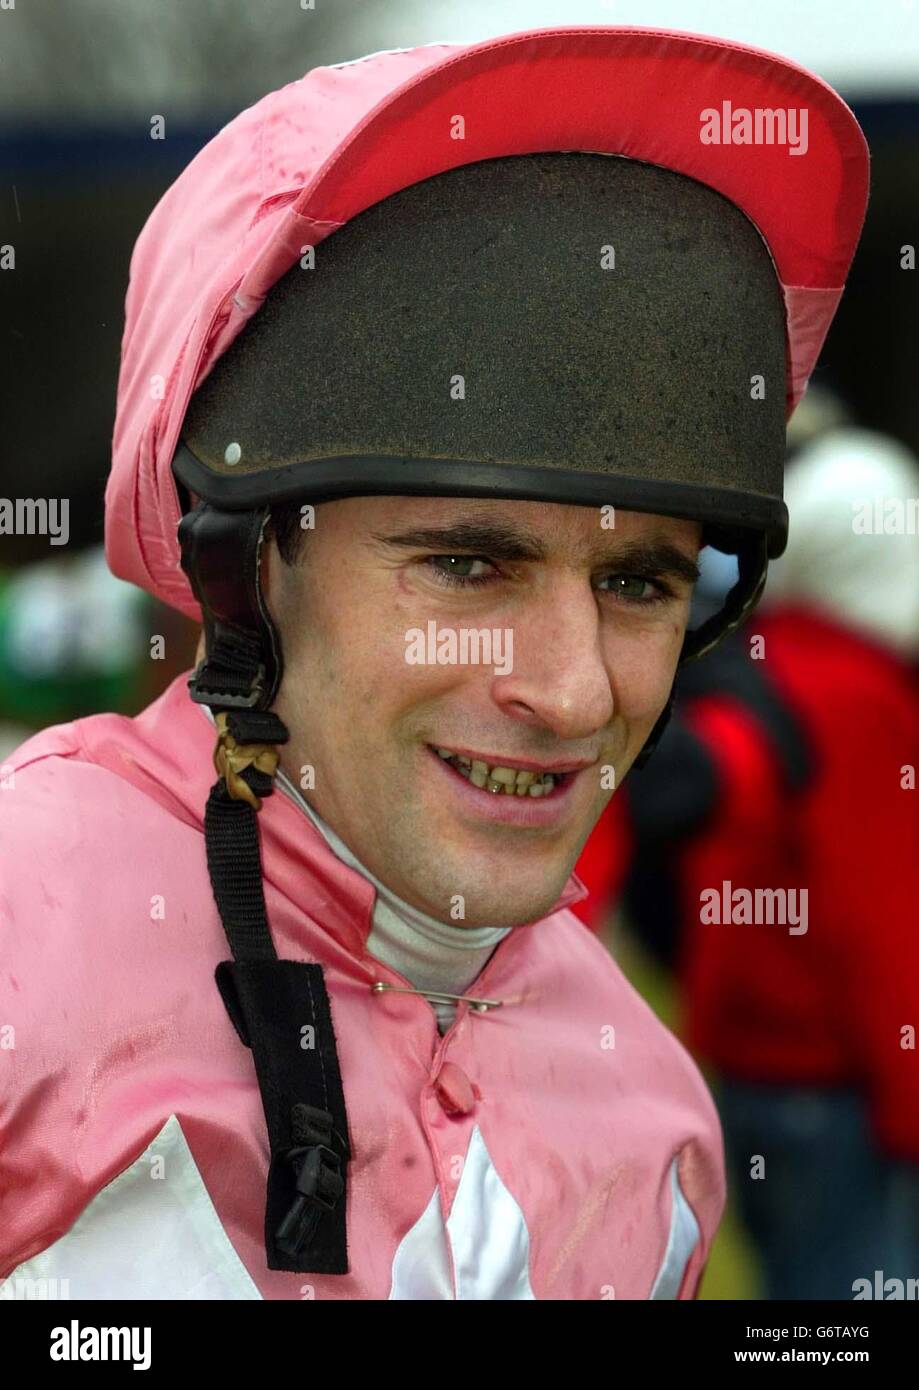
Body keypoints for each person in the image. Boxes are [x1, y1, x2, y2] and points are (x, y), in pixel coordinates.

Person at [0, 25, 867, 1300]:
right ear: (245, 571)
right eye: (471, 563)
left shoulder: (660, 1125)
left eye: (637, 583)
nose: (575, 691)